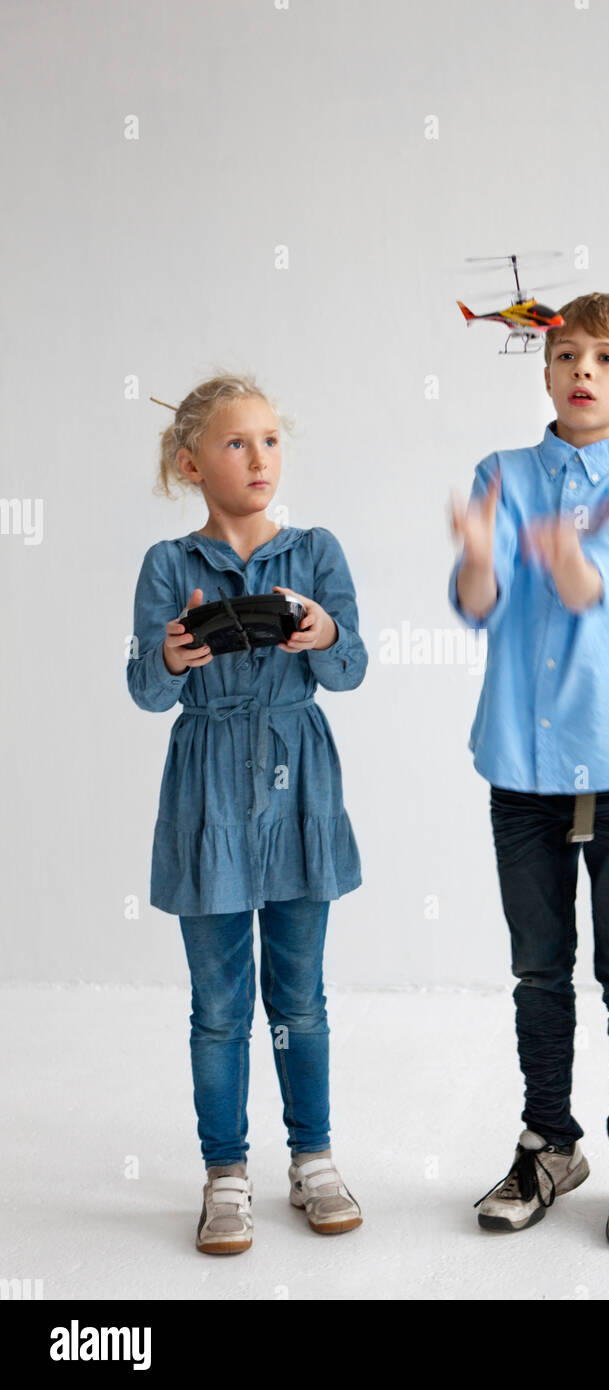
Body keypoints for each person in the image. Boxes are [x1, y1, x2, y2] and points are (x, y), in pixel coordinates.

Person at [448, 293, 609, 1245]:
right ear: (545, 374)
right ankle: (550, 1144)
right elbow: (476, 602)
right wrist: (477, 550)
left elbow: (593, 581)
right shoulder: (499, 472)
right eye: (566, 356)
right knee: (538, 971)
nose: (583, 371)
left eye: (605, 359)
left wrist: (560, 548)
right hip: (521, 766)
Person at [127, 373, 366, 1253]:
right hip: (208, 789)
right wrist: (175, 654)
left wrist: (325, 635)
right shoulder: (168, 564)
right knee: (219, 1004)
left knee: (299, 998)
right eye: (236, 443)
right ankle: (225, 1174)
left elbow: (351, 671)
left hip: (299, 780)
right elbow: (145, 691)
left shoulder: (316, 551)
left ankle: (314, 1160)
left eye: (269, 439)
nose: (259, 457)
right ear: (191, 462)